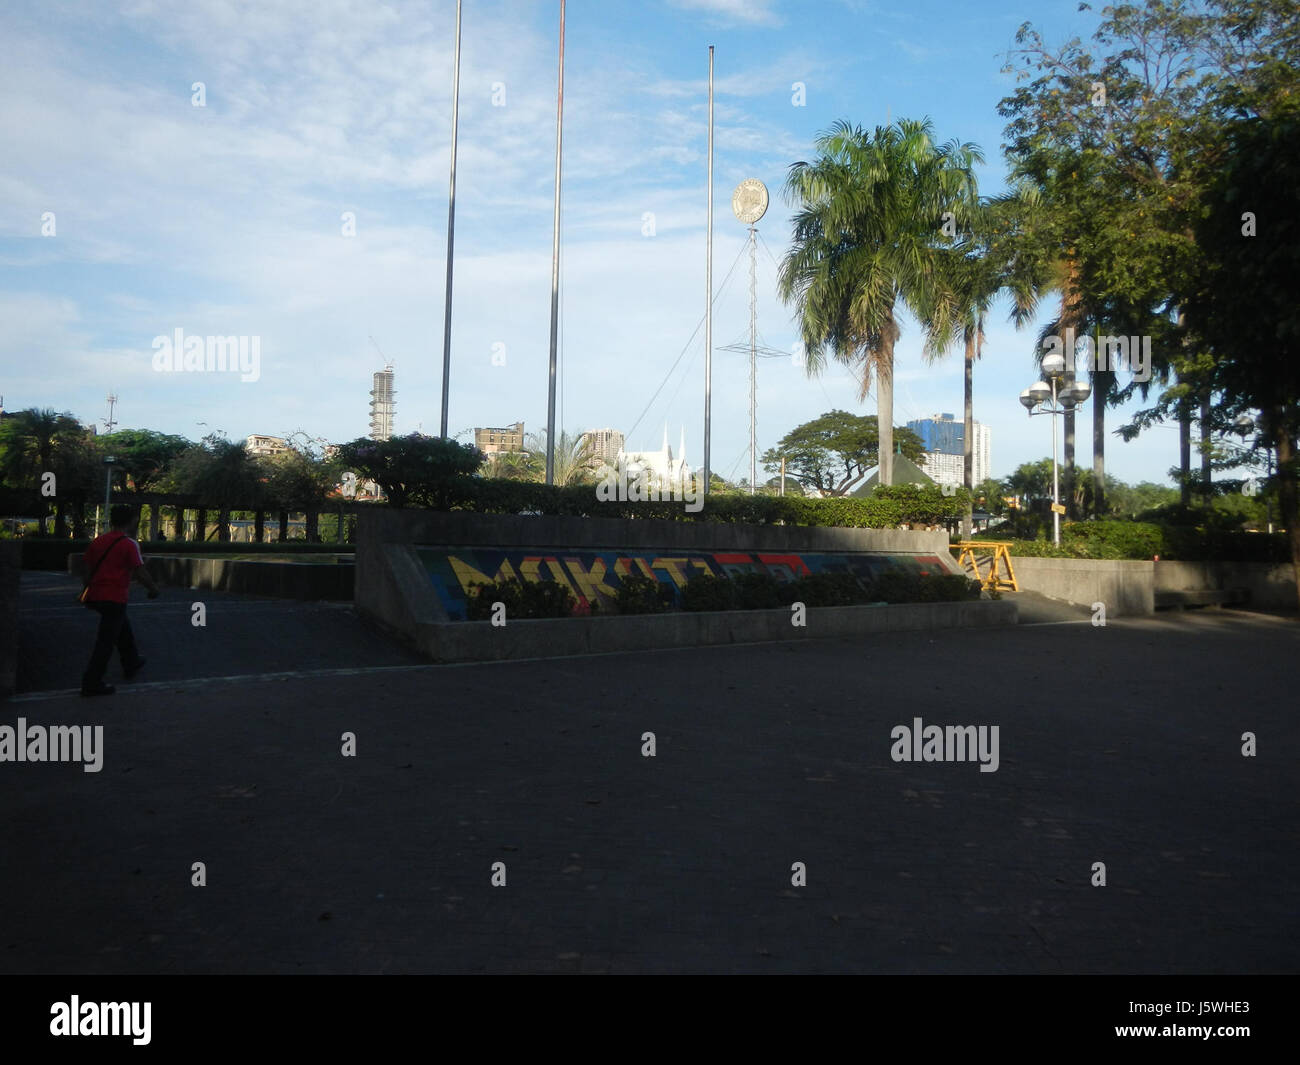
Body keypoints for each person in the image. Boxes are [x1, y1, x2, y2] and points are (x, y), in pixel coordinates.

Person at [80, 504, 161, 697]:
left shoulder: (98, 541)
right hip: (115, 596)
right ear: (132, 520)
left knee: (121, 627)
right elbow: (140, 572)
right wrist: (153, 588)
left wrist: (86, 590)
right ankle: (92, 682)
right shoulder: (129, 544)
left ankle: (131, 660)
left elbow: (87, 571)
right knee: (106, 641)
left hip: (96, 596)